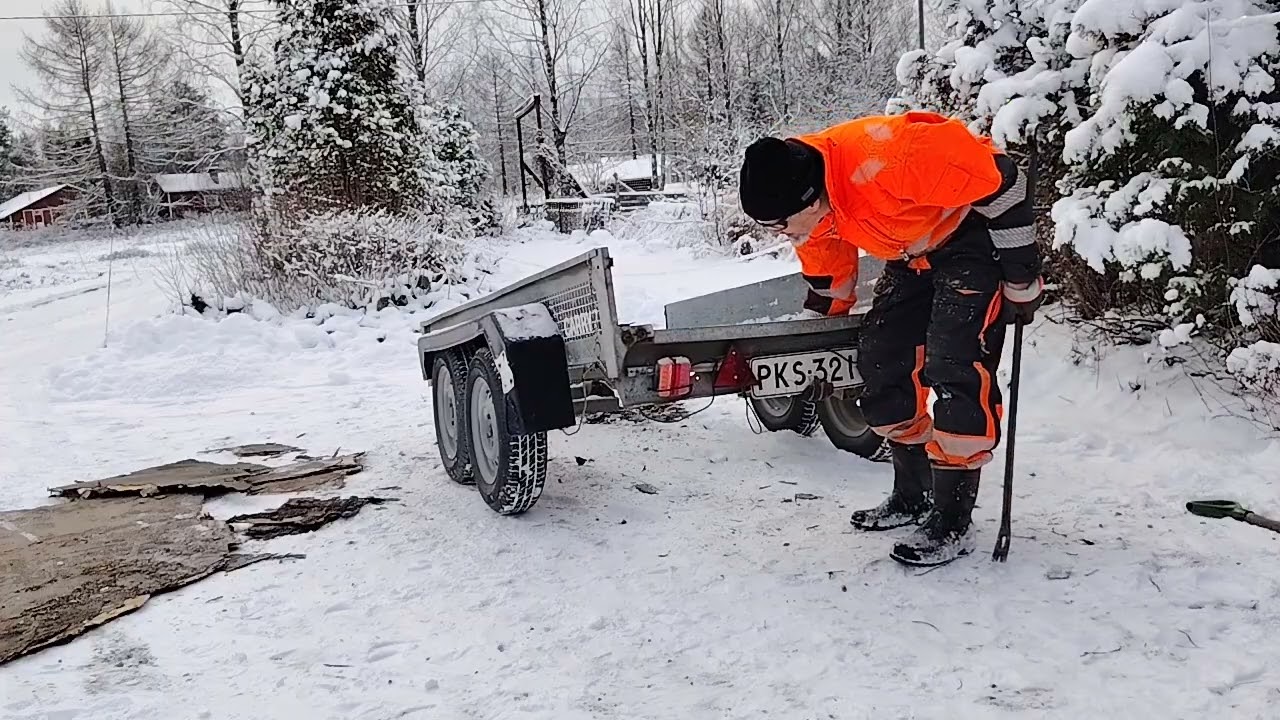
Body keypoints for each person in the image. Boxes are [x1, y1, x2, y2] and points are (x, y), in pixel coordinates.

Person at [738, 110, 1044, 567]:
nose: (781, 234)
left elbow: (1005, 182)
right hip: (910, 254)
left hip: (970, 241)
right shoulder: (807, 190)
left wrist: (1021, 277)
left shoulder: (895, 156)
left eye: (781, 224)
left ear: (807, 199)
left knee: (953, 362)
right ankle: (912, 494)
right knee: (881, 356)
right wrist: (818, 327)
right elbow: (828, 276)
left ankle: (952, 519)